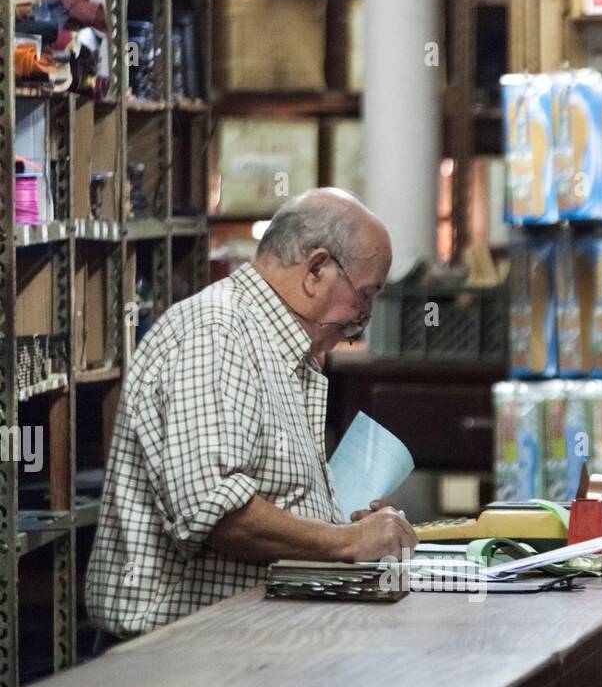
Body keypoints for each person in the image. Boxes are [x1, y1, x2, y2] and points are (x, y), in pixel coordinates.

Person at [86, 188, 416, 641]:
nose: (364, 317)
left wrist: (343, 523)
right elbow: (217, 514)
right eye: (364, 295)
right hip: (179, 663)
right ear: (317, 269)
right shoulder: (214, 335)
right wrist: (347, 542)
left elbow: (273, 497)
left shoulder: (278, 350)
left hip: (244, 649)